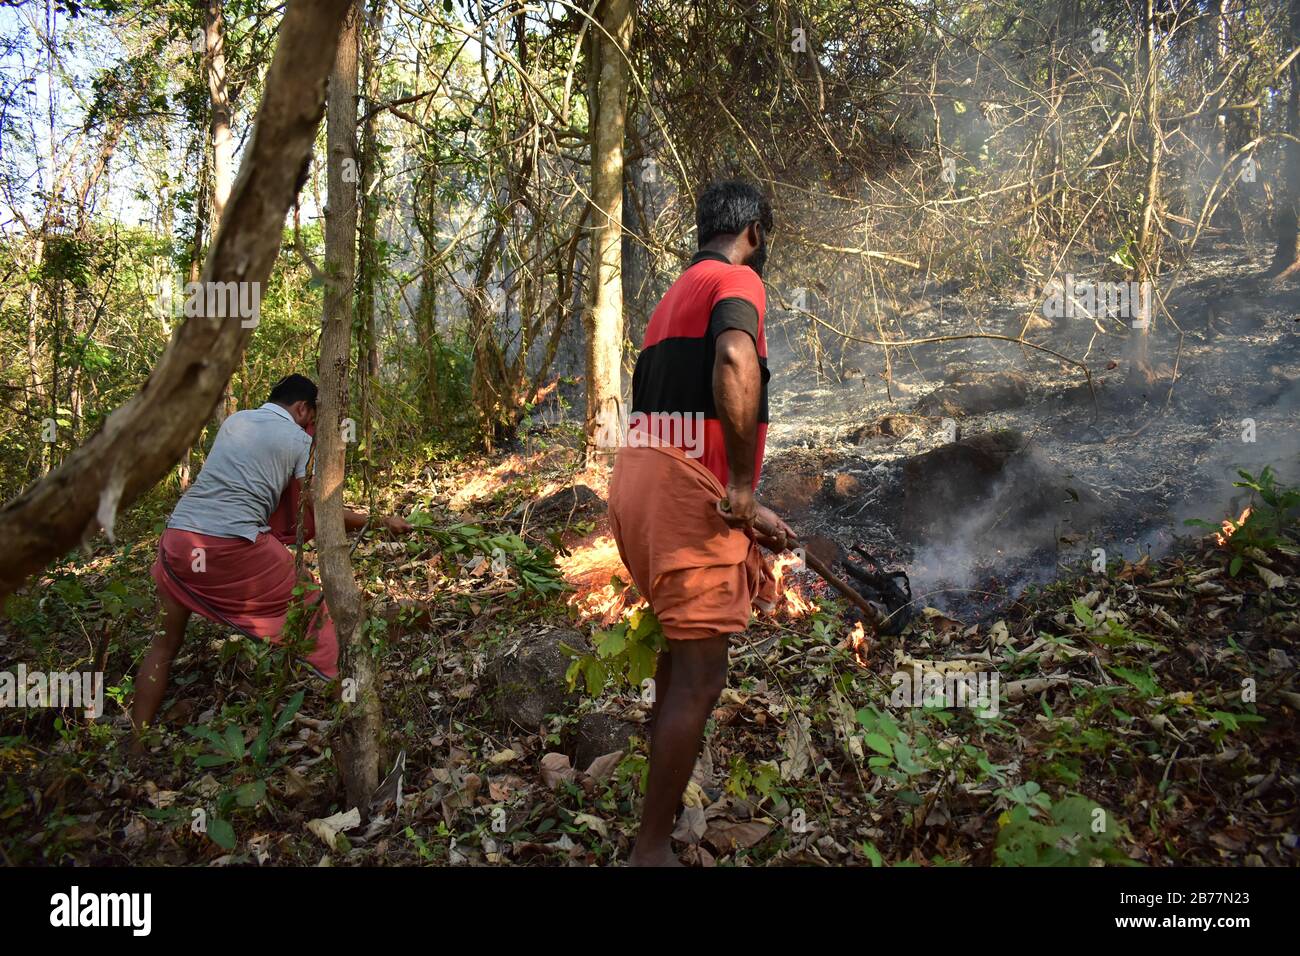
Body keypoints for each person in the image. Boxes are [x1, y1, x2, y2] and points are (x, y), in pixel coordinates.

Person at [607, 180, 796, 866]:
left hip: (639, 483)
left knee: (679, 658)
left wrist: (745, 504)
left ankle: (664, 810)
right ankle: (650, 849)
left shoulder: (673, 298)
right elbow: (736, 358)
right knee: (702, 678)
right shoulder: (737, 278)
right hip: (683, 497)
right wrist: (743, 489)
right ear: (753, 233)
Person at [131, 374, 411, 734]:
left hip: (178, 542)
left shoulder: (236, 421)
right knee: (313, 609)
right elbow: (318, 506)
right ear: (302, 409)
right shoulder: (298, 439)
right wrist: (380, 521)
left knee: (164, 643)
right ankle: (358, 708)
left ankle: (136, 741)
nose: (312, 427)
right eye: (312, 419)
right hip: (232, 544)